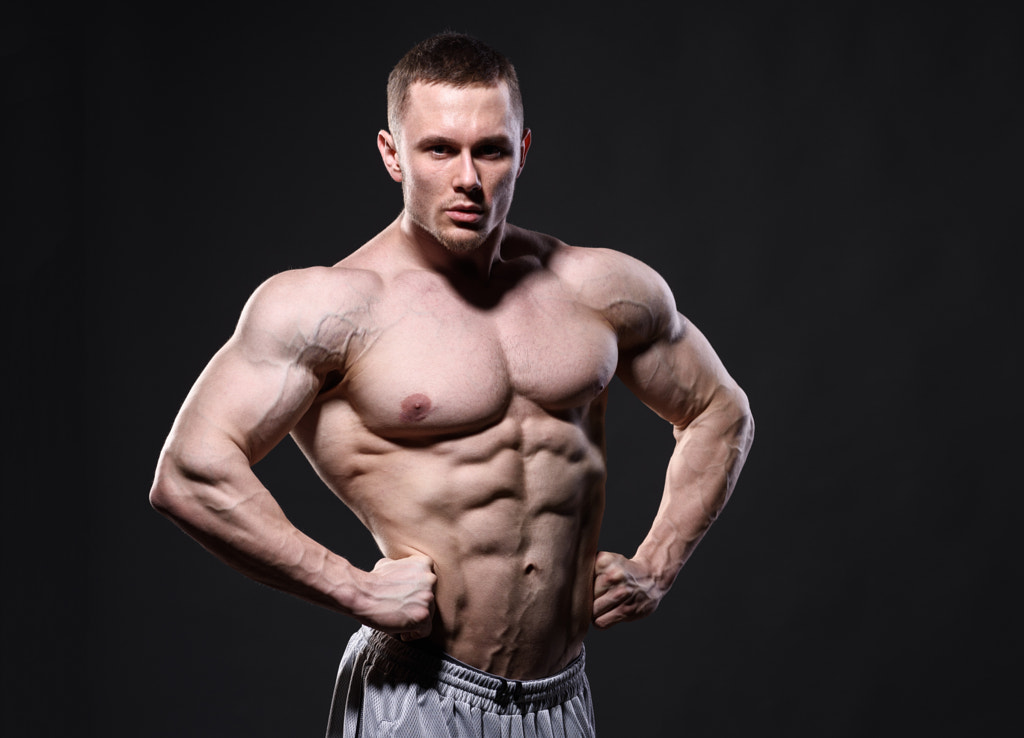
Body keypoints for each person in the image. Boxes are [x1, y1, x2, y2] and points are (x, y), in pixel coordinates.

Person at [150, 32, 754, 738]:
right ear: (392, 154)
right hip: (421, 693)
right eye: (439, 149)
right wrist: (352, 587)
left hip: (561, 697)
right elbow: (189, 472)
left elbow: (720, 412)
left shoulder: (600, 288)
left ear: (523, 151)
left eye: (490, 150)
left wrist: (658, 565)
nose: (468, 177)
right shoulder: (329, 308)